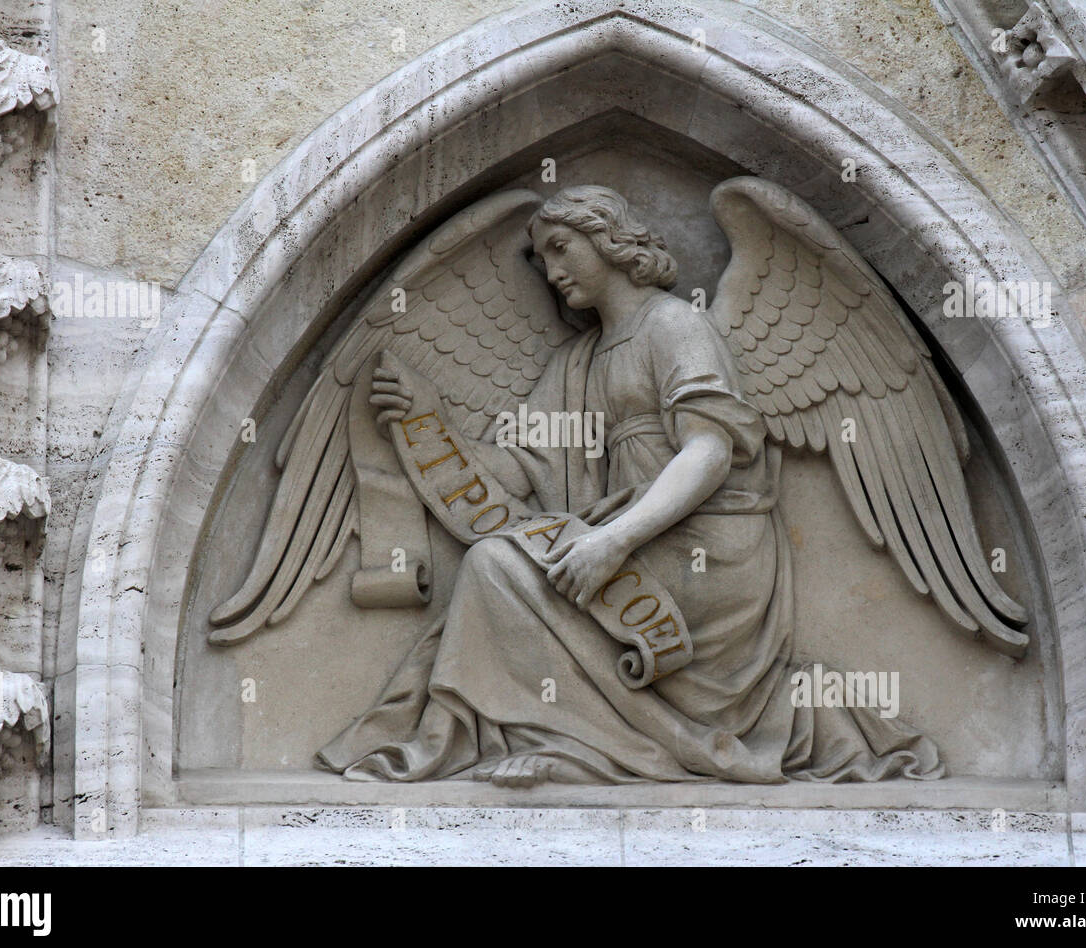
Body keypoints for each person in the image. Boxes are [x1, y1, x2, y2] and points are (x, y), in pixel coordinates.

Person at [317, 186, 943, 787]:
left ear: (610, 240)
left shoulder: (674, 325)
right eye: (539, 258)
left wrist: (613, 542)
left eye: (562, 247)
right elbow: (522, 472)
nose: (551, 269)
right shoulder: (576, 361)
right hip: (626, 538)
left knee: (498, 568)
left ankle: (576, 744)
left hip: (707, 544)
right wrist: (428, 421)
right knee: (495, 567)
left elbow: (708, 450)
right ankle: (573, 742)